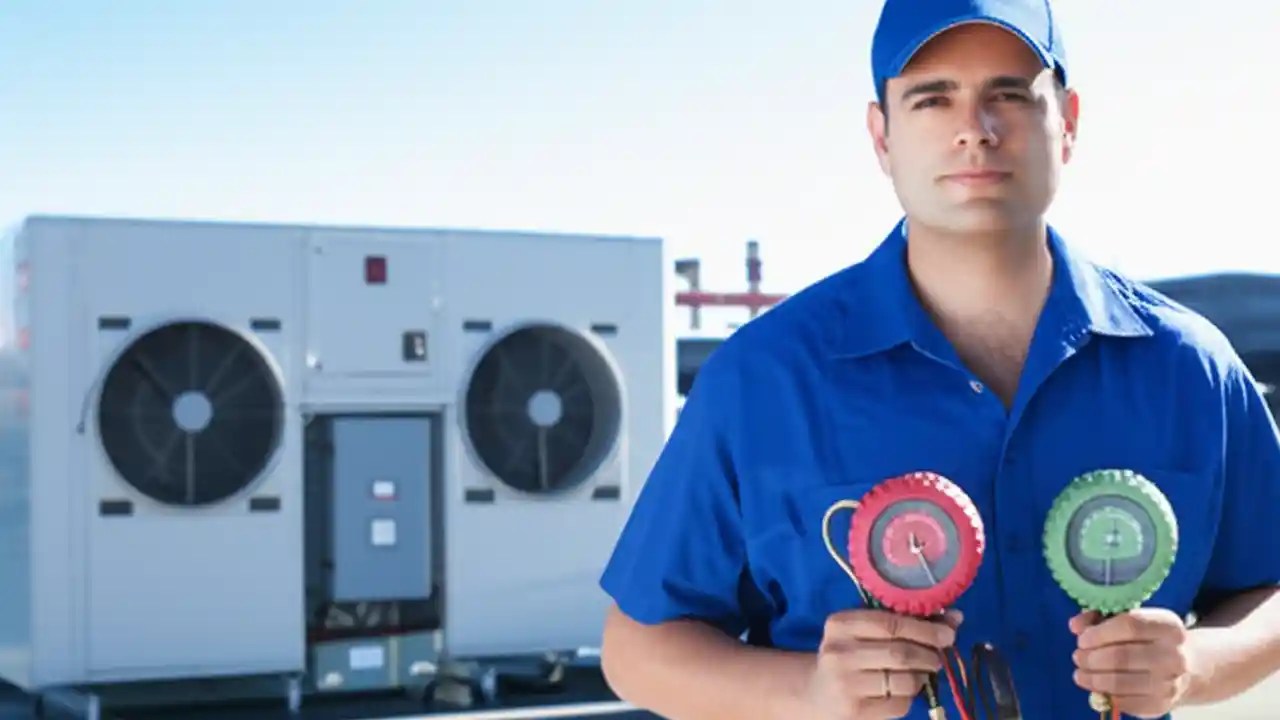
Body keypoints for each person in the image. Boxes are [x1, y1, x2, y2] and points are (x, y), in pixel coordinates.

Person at [596, 0, 1280, 719]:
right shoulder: (763, 380)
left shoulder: (1189, 369)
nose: (974, 130)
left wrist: (1195, 665)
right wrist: (809, 691)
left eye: (1009, 95)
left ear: (1068, 120)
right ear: (881, 137)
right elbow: (637, 648)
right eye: (932, 98)